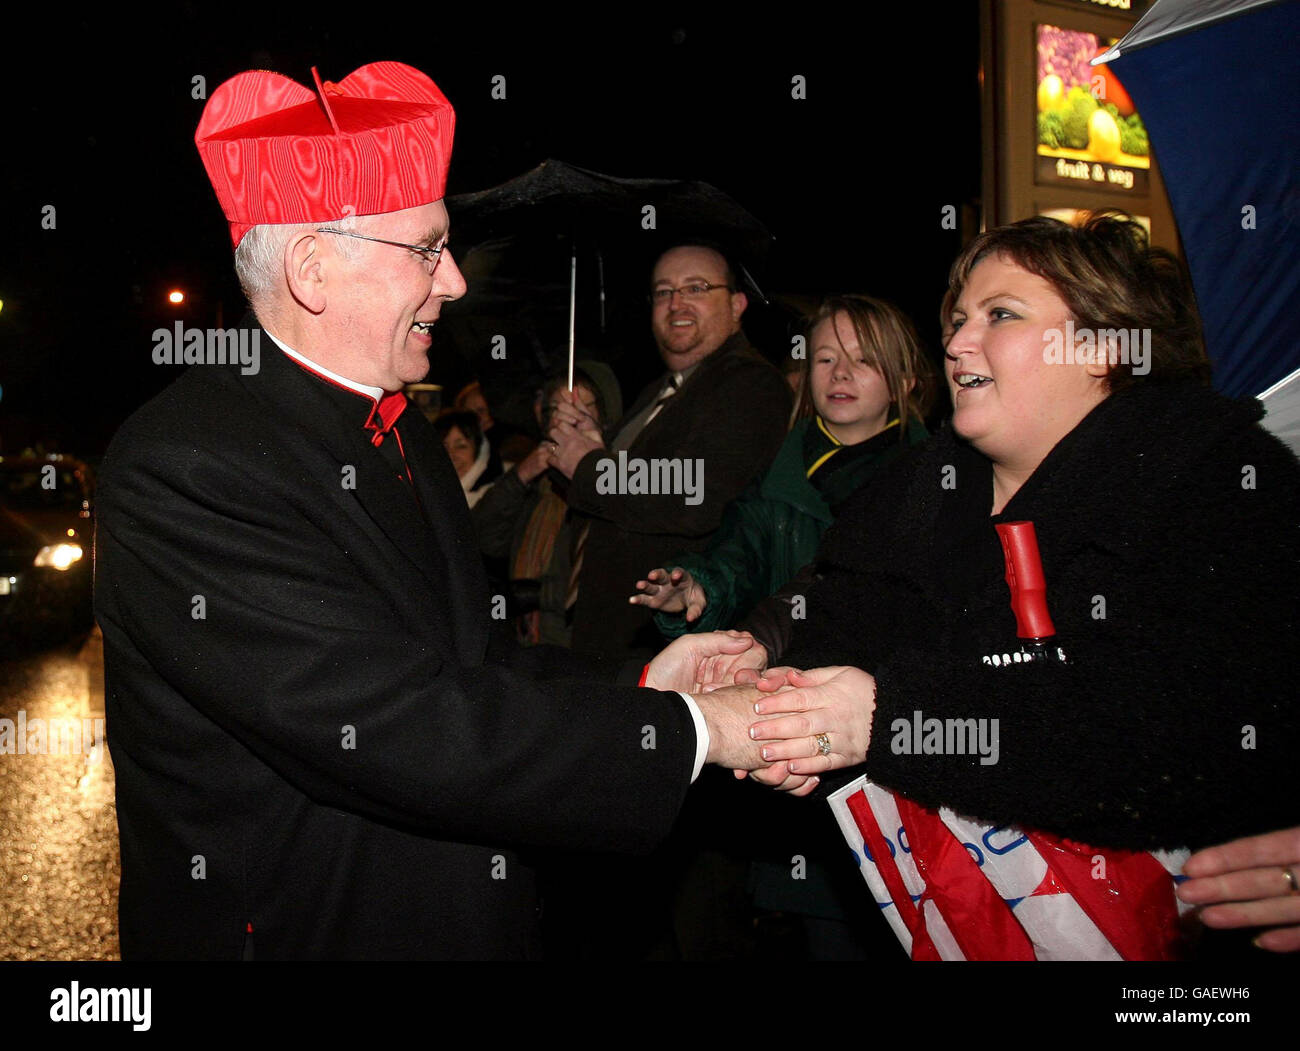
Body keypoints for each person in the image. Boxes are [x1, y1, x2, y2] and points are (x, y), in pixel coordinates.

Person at [93, 60, 794, 960]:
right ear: (313, 268)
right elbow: (409, 729)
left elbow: (474, 660)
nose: (456, 282)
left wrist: (649, 688)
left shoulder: (398, 427)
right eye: (426, 249)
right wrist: (698, 732)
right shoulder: (189, 465)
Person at [729, 212, 1299, 957]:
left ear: (1102, 346)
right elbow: (841, 616)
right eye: (959, 318)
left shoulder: (1214, 485)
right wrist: (747, 669)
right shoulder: (922, 497)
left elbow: (1198, 723)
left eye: (1000, 315)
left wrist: (894, 716)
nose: (959, 340)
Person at [630, 294, 935, 638]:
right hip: (785, 674)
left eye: (863, 360)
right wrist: (698, 588)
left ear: (904, 383)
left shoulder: (934, 480)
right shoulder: (775, 476)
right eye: (825, 359)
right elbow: (737, 559)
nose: (840, 374)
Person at [546, 243, 791, 658]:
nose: (676, 302)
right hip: (609, 637)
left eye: (696, 288)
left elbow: (694, 487)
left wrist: (589, 465)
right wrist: (592, 441)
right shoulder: (659, 391)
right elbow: (634, 477)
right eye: (663, 291)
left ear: (736, 304)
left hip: (665, 645)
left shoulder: (751, 385)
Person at [473, 369, 611, 646]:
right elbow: (481, 536)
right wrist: (521, 475)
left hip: (577, 642)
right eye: (559, 411)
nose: (570, 420)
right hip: (528, 640)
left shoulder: (615, 481)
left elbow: (606, 577)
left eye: (582, 411)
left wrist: (542, 593)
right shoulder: (538, 483)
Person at [433, 408, 499, 508]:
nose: (451, 455)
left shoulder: (494, 498)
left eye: (461, 446)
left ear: (479, 452)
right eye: (444, 448)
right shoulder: (424, 498)